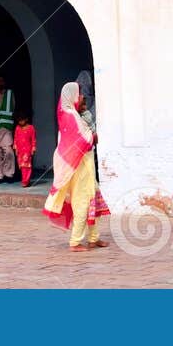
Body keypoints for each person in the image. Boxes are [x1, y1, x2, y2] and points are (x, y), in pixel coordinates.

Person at [42, 82, 110, 251]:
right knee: (82, 202)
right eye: (79, 94)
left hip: (83, 164)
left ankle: (94, 238)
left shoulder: (71, 113)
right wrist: (93, 137)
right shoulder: (70, 114)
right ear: (72, 95)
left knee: (94, 197)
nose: (82, 98)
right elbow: (83, 140)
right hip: (78, 166)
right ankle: (75, 242)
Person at [13, 114, 37, 187]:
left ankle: (25, 181)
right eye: (19, 120)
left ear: (26, 119)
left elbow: (33, 139)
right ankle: (26, 180)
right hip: (20, 150)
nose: (20, 122)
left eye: (22, 120)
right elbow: (15, 138)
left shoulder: (31, 128)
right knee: (21, 166)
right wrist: (15, 148)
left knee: (26, 166)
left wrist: (33, 148)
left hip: (27, 149)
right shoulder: (17, 128)